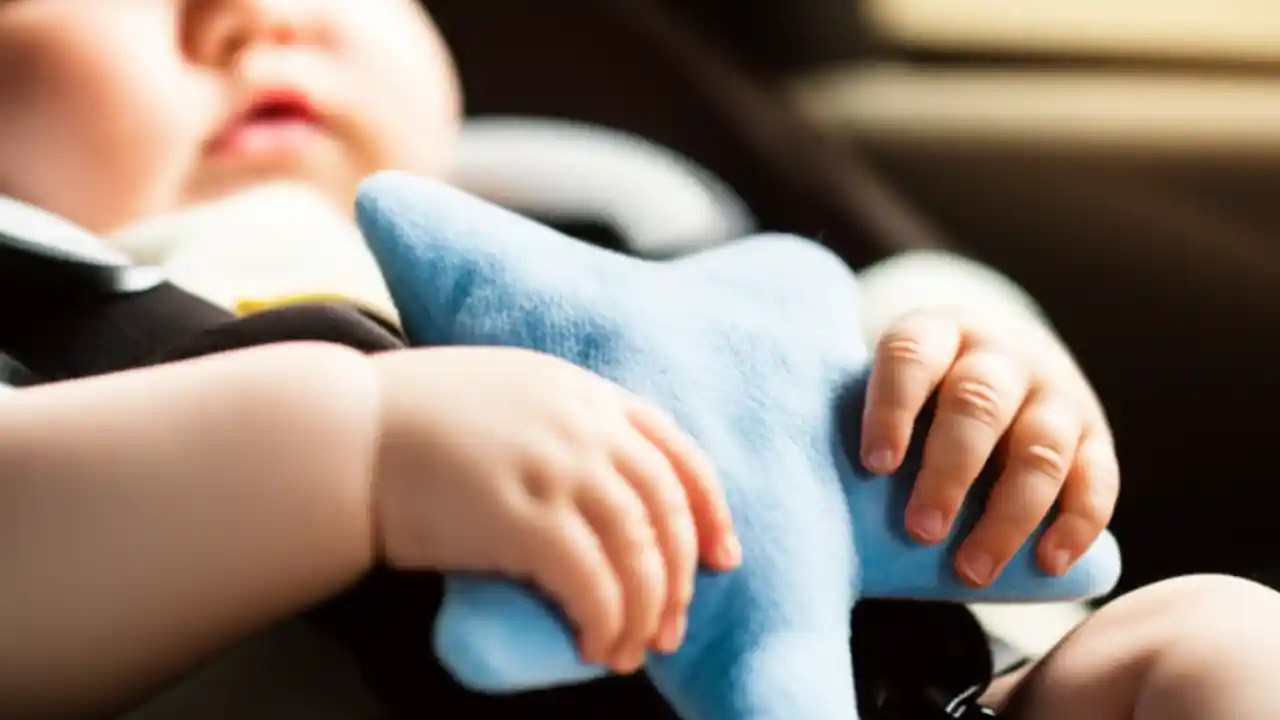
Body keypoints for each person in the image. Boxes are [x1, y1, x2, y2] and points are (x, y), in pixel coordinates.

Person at [0, 2, 1277, 719]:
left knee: (1209, 642)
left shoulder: (612, 220)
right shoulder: (43, 312)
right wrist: (355, 451)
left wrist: (976, 380)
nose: (254, 17)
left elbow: (857, 344)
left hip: (905, 697)